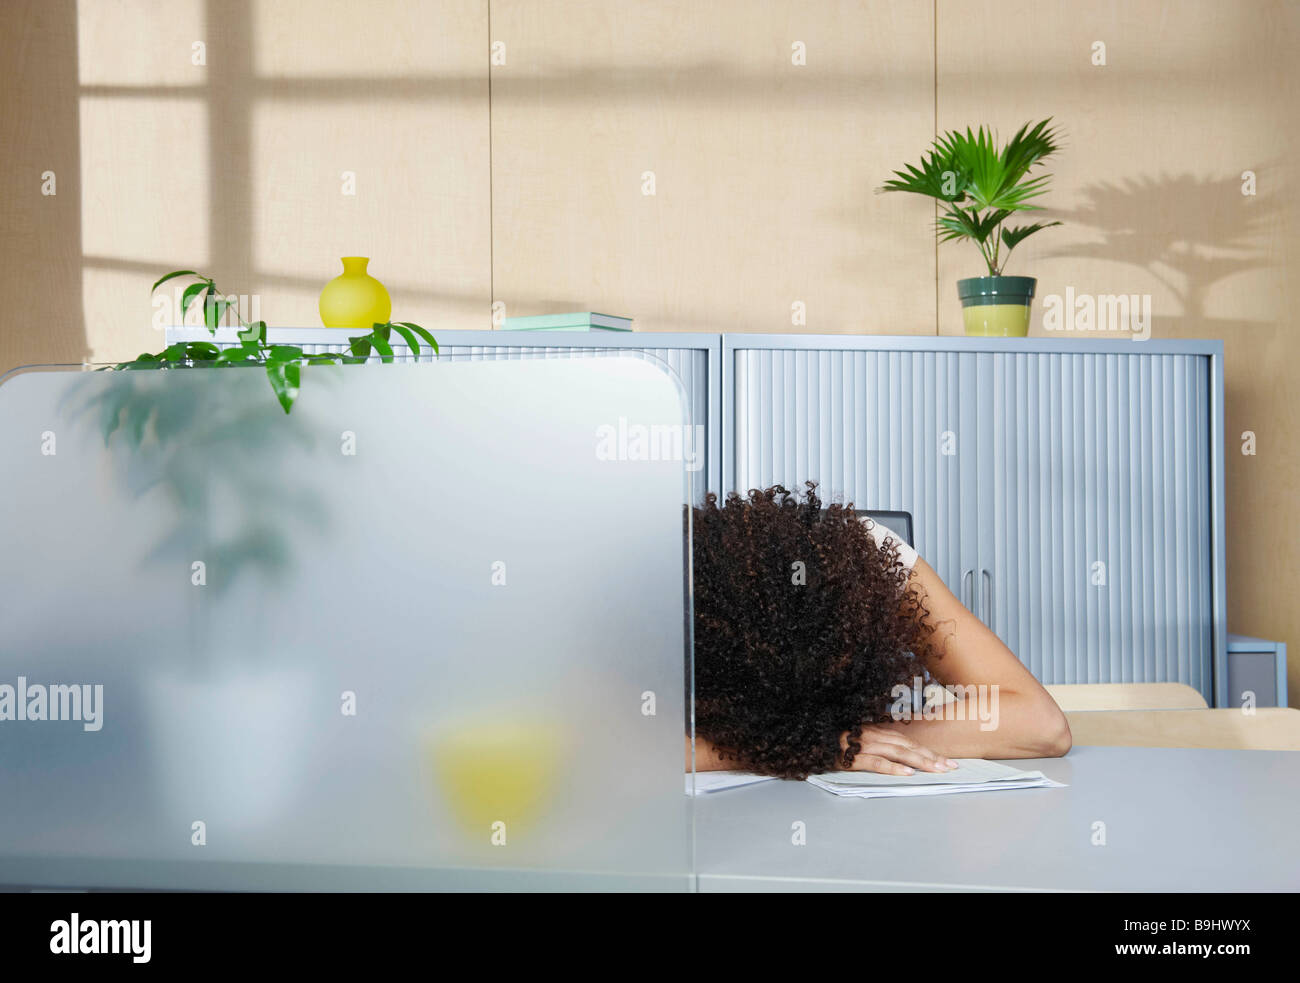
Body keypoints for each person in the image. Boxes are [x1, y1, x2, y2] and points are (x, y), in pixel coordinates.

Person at [688, 483, 1070, 780]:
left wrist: (851, 740)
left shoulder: (868, 557)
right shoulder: (676, 581)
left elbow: (1040, 723)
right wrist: (806, 746)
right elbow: (629, 747)